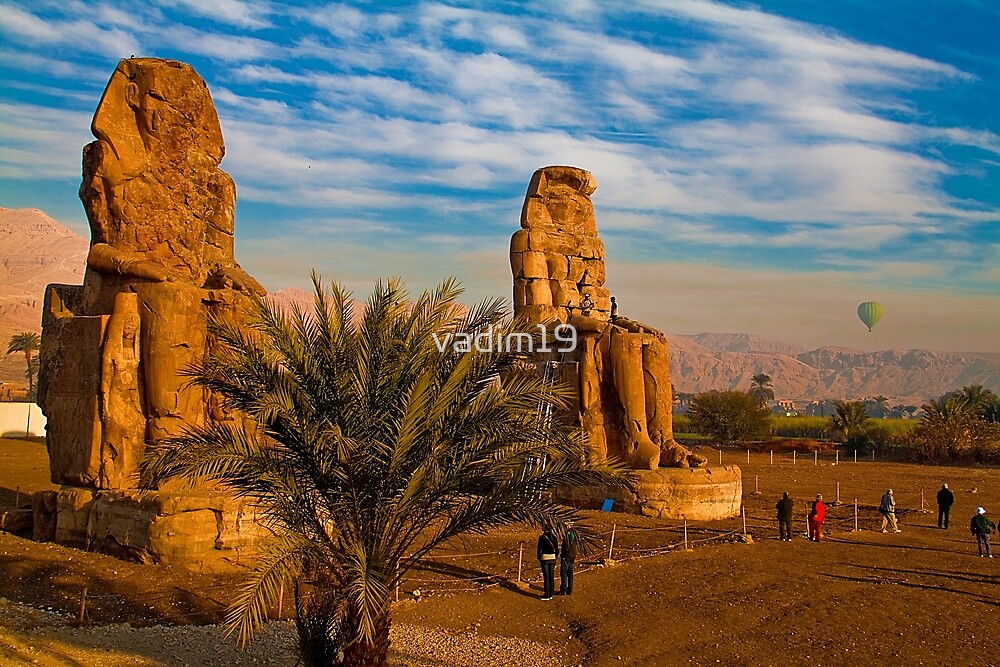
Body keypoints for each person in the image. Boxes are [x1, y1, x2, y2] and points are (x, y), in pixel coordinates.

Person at [537, 527, 559, 600]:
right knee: (551, 576)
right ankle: (551, 593)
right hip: (552, 558)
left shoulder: (542, 538)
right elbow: (557, 549)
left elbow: (539, 549)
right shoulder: (554, 538)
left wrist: (540, 558)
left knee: (546, 577)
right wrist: (555, 556)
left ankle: (547, 594)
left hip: (545, 558)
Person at [559, 521, 579, 595]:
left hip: (567, 557)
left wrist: (563, 556)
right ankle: (569, 589)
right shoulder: (574, 535)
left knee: (564, 574)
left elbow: (566, 547)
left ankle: (563, 589)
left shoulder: (567, 535)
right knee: (570, 574)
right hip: (572, 557)